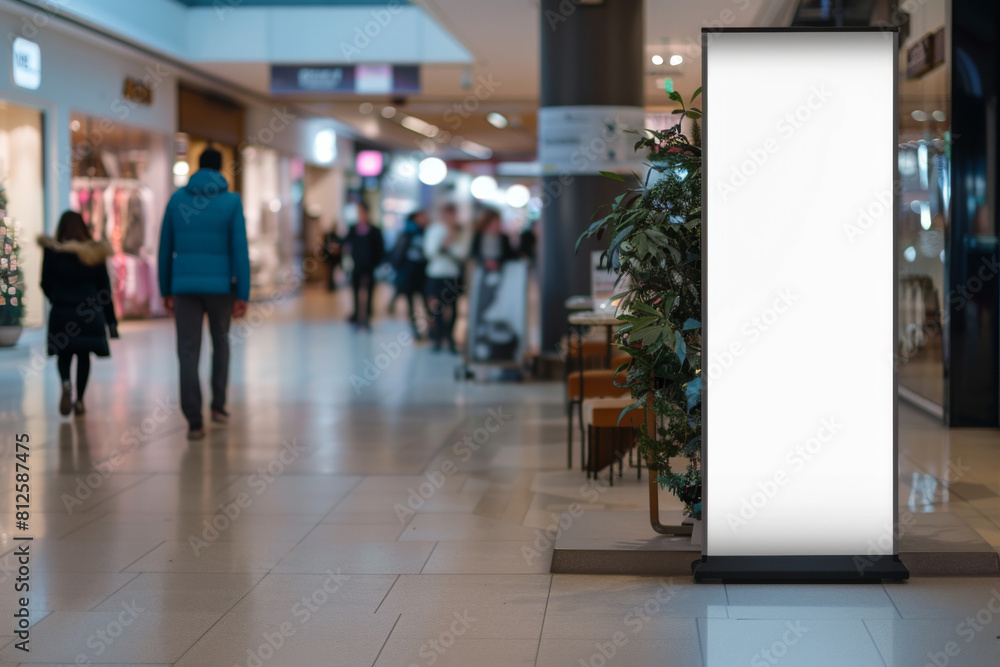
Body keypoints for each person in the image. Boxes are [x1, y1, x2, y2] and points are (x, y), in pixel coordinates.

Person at [158, 147, 250, 440]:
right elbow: (240, 250)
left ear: (197, 167)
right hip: (221, 288)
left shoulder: (176, 200)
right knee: (220, 343)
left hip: (184, 288)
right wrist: (243, 293)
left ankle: (194, 421)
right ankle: (218, 405)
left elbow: (164, 248)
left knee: (187, 351)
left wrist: (165, 289)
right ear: (221, 168)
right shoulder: (232, 202)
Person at [38, 212, 119, 417]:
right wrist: (111, 321)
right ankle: (80, 400)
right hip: (88, 314)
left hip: (61, 311)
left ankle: (66, 383)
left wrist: (56, 297)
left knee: (64, 354)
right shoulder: (94, 253)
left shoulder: (53, 252)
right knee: (84, 355)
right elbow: (104, 289)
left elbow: (45, 282)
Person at [423, 203, 469, 353]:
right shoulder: (434, 230)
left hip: (452, 274)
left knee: (453, 308)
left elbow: (461, 254)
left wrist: (449, 245)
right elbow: (430, 252)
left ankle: (450, 337)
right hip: (436, 274)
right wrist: (447, 240)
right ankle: (438, 336)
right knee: (437, 308)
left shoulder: (460, 232)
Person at [343, 201, 384, 329]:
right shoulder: (353, 230)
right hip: (357, 266)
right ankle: (356, 314)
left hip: (370, 267)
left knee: (369, 293)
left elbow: (381, 250)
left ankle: (367, 316)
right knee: (355, 291)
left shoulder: (375, 231)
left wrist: (376, 264)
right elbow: (345, 243)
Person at [390, 210, 429, 338]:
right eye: (421, 217)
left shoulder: (427, 232)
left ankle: (430, 328)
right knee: (411, 303)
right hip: (409, 273)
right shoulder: (407, 233)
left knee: (427, 302)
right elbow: (398, 253)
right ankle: (415, 329)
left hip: (423, 273)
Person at [470, 207, 516, 272]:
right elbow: (473, 253)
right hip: (480, 269)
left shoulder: (503, 238)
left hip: (499, 270)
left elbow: (509, 254)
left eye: (497, 223)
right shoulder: (478, 236)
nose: (496, 225)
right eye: (494, 223)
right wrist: (484, 262)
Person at [322, 225, 343, 292]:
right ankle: (331, 285)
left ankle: (331, 285)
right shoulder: (331, 237)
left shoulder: (334, 237)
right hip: (330, 258)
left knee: (331, 272)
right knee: (330, 272)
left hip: (332, 258)